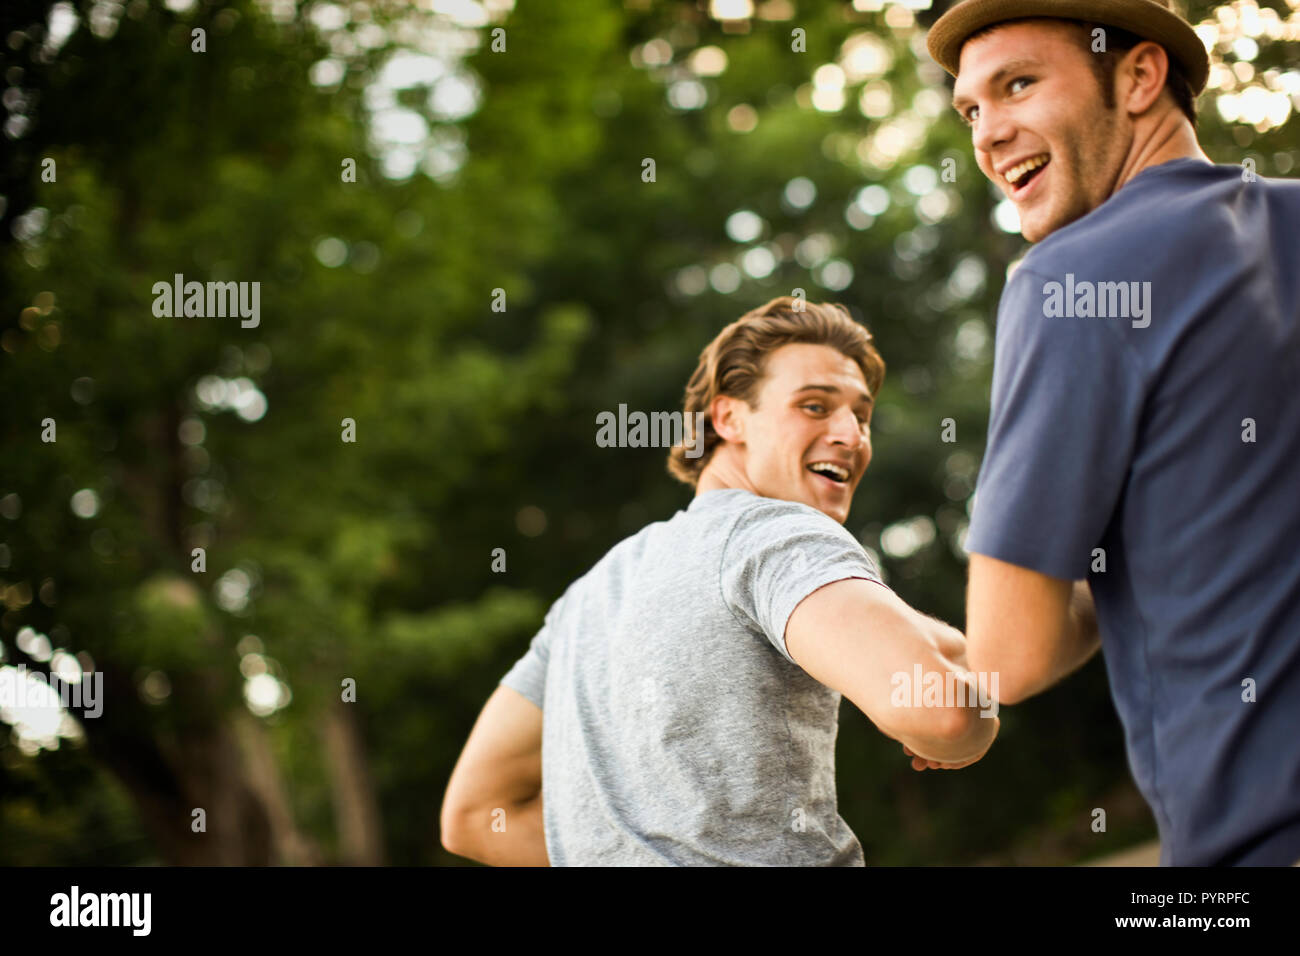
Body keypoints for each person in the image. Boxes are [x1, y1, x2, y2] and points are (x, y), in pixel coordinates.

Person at [927, 0, 1300, 865]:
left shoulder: (1068, 278)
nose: (988, 133)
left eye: (1017, 85)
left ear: (1138, 77)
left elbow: (1008, 658)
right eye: (972, 110)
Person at [439, 296, 999, 866]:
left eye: (861, 416)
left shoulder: (587, 596)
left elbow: (474, 817)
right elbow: (944, 712)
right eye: (814, 406)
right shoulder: (774, 533)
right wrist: (973, 716)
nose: (851, 436)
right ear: (728, 418)